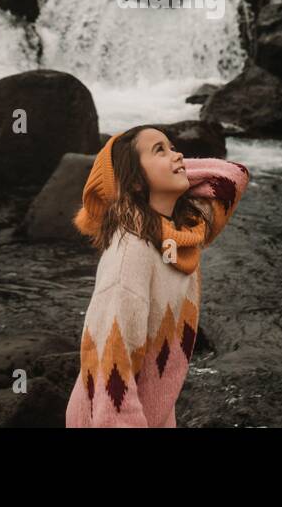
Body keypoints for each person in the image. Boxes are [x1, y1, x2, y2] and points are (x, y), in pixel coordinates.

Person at [64, 124, 251, 427]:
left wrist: (166, 169)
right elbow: (111, 368)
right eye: (159, 150)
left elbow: (231, 176)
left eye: (173, 147)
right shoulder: (130, 254)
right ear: (136, 181)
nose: (178, 155)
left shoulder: (183, 236)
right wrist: (132, 178)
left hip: (157, 411)